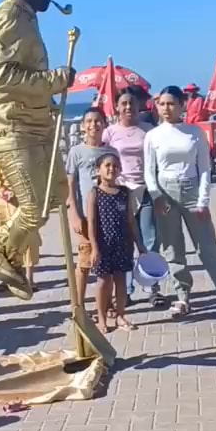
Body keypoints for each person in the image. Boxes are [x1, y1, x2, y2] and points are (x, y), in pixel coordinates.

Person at [0, 0, 74, 301]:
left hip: (32, 123)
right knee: (33, 207)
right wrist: (52, 81)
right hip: (13, 128)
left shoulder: (26, 17)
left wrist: (46, 98)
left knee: (54, 194)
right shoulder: (9, 17)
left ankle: (9, 257)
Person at [144, 86, 216, 319]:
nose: (166, 108)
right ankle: (182, 298)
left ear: (182, 105)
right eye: (162, 104)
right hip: (165, 193)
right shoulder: (153, 136)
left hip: (192, 190)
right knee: (172, 249)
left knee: (208, 248)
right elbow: (149, 171)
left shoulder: (194, 133)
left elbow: (205, 169)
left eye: (171, 104)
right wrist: (156, 196)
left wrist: (203, 200)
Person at [102, 89, 165, 308]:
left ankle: (152, 288)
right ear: (117, 107)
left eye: (132, 103)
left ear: (140, 106)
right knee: (125, 243)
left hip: (146, 190)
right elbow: (102, 163)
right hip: (121, 192)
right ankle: (125, 291)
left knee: (150, 241)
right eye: (124, 104)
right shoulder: (109, 133)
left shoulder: (148, 130)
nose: (128, 107)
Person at [87, 151, 146, 333]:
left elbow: (130, 220)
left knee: (121, 280)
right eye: (107, 166)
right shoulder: (95, 193)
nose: (111, 169)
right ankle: (102, 318)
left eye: (115, 166)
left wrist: (139, 244)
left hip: (123, 243)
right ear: (98, 170)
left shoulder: (124, 193)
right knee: (103, 281)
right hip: (103, 244)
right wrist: (94, 247)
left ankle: (121, 315)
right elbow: (91, 222)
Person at [66, 108, 113, 304]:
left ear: (104, 123)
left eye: (98, 121)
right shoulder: (76, 152)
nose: (93, 125)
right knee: (85, 262)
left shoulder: (111, 151)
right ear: (83, 125)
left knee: (107, 262)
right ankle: (79, 305)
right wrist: (74, 214)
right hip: (85, 216)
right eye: (89, 121)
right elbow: (70, 184)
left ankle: (106, 303)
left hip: (107, 215)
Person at [0, 149, 41, 291]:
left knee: (26, 236)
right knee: (1, 237)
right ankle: (7, 278)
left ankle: (29, 279)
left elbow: (33, 168)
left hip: (21, 196)